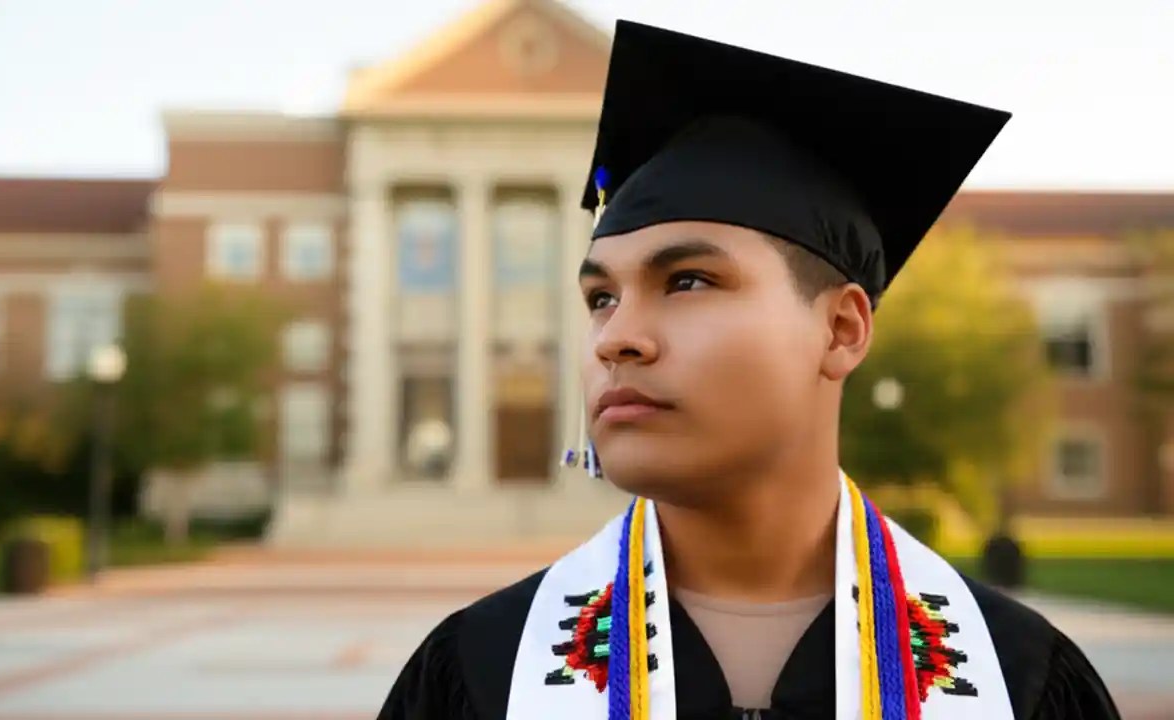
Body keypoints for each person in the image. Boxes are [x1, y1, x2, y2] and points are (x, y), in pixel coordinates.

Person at [377, 19, 1120, 720]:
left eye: (687, 281)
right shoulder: (481, 674)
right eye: (601, 298)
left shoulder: (1018, 682)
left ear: (841, 329)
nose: (615, 338)